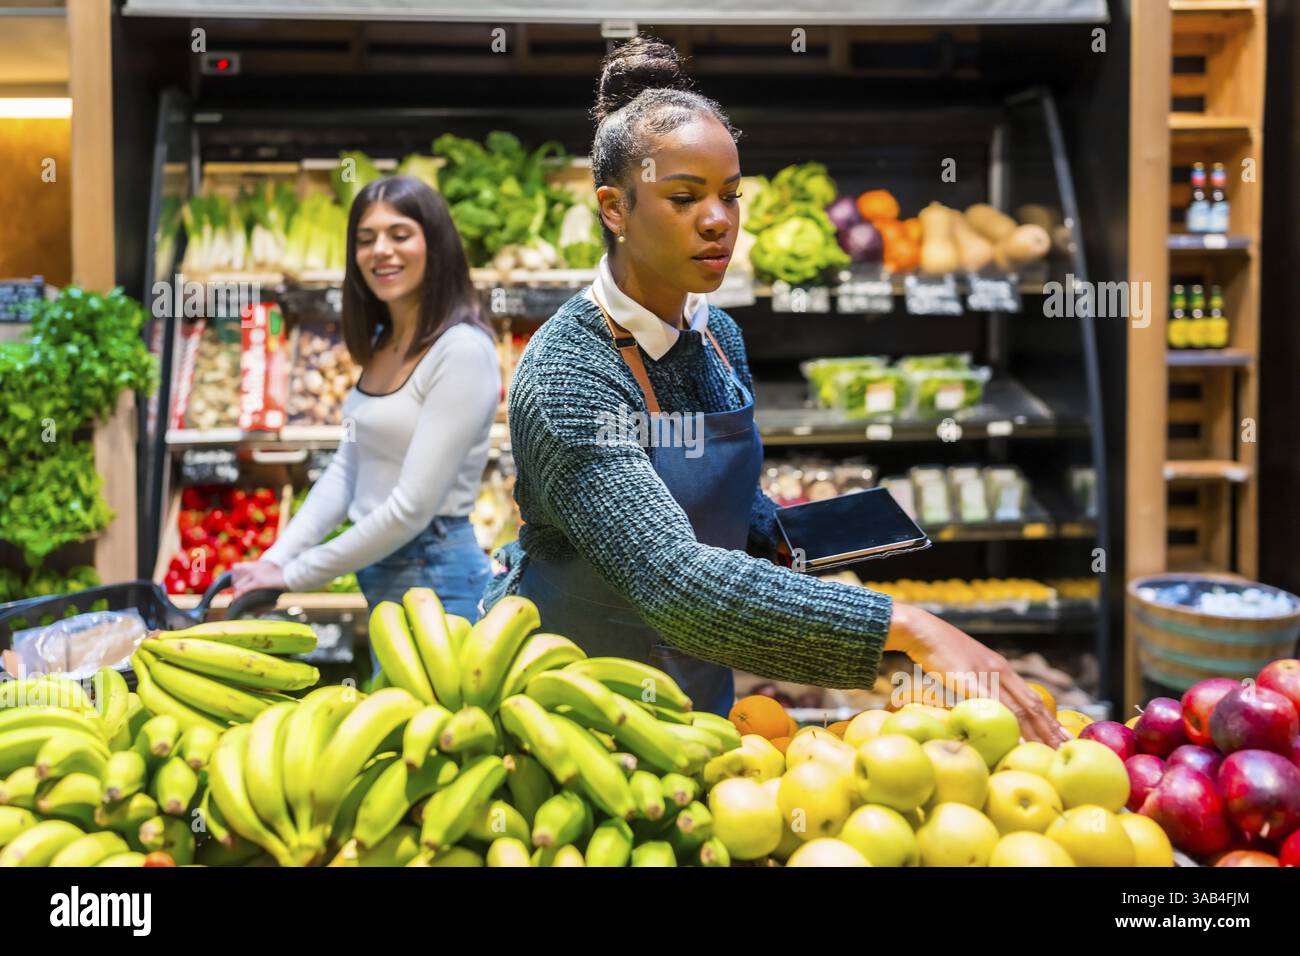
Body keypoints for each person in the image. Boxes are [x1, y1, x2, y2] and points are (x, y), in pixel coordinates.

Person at [483, 37, 1066, 741]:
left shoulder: (718, 338)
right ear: (613, 207)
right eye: (684, 197)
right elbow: (672, 581)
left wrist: (807, 532)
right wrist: (904, 628)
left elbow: (720, 503)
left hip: (697, 704)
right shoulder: (569, 372)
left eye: (730, 195)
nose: (718, 220)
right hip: (572, 718)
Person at [233, 175, 500, 667]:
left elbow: (411, 508)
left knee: (442, 733)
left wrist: (295, 576)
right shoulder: (382, 342)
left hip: (438, 579)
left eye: (400, 234)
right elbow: (346, 470)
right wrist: (274, 558)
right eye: (365, 238)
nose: (381, 250)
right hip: (383, 579)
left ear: (434, 243)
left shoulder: (461, 350)